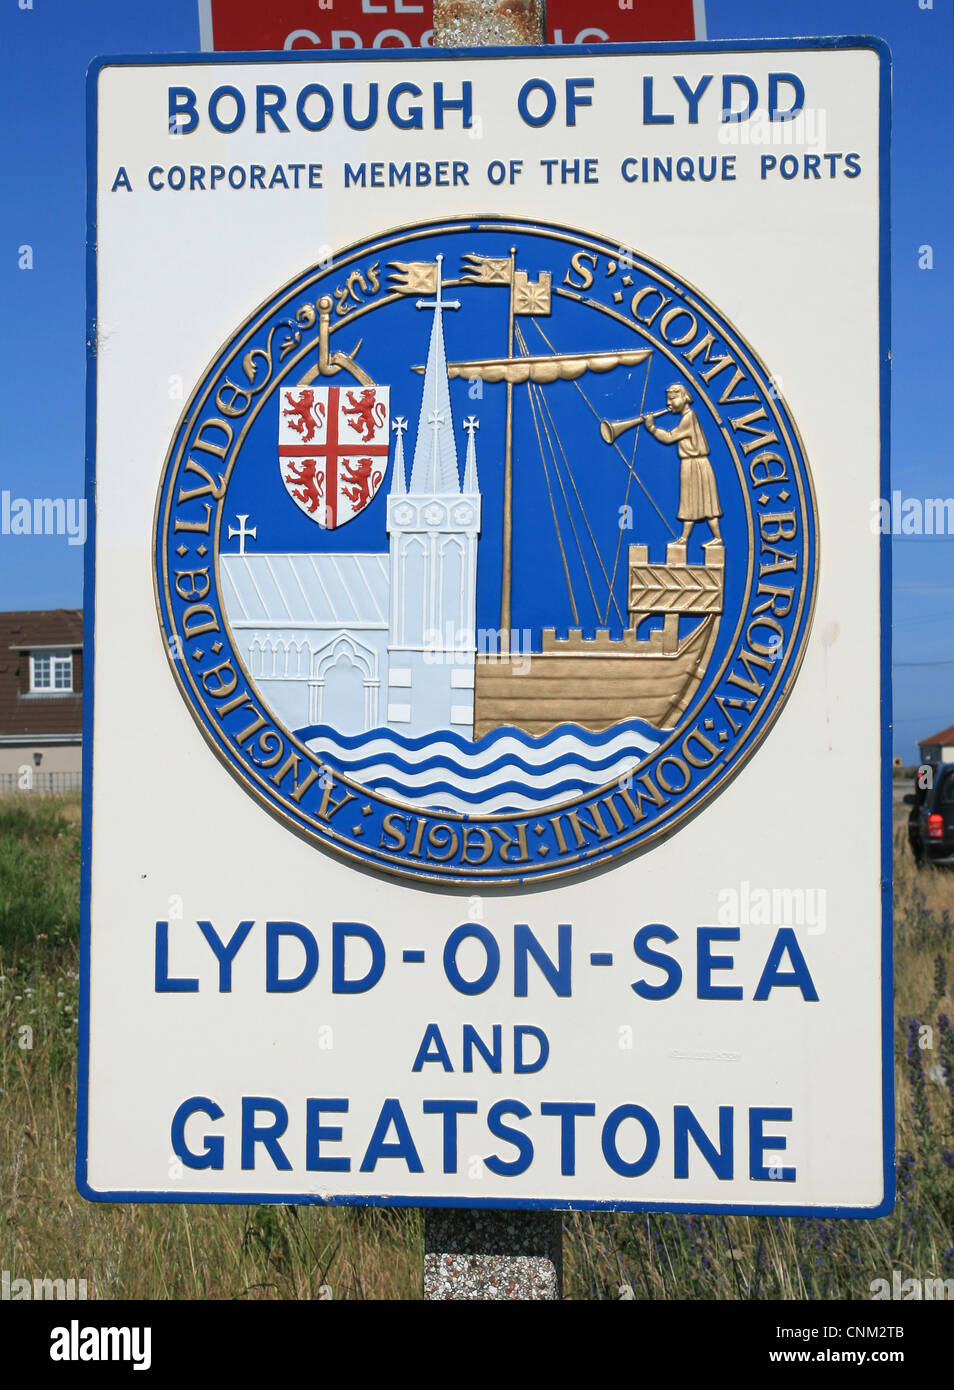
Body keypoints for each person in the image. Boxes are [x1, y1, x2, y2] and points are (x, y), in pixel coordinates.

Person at [643, 384, 722, 545]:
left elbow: (670, 437)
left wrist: (651, 427)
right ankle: (686, 538)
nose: (669, 404)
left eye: (672, 399)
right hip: (691, 465)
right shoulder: (688, 417)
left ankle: (716, 538)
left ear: (684, 397)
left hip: (696, 465)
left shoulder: (689, 417)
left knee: (706, 503)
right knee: (690, 502)